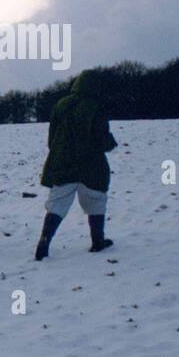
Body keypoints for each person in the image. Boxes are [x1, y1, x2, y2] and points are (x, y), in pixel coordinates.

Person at [36, 71, 117, 260]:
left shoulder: (61, 104)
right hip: (91, 163)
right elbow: (101, 139)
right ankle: (98, 241)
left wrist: (59, 152)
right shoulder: (95, 107)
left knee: (57, 203)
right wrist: (110, 143)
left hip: (62, 162)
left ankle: (44, 241)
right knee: (96, 200)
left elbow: (52, 137)